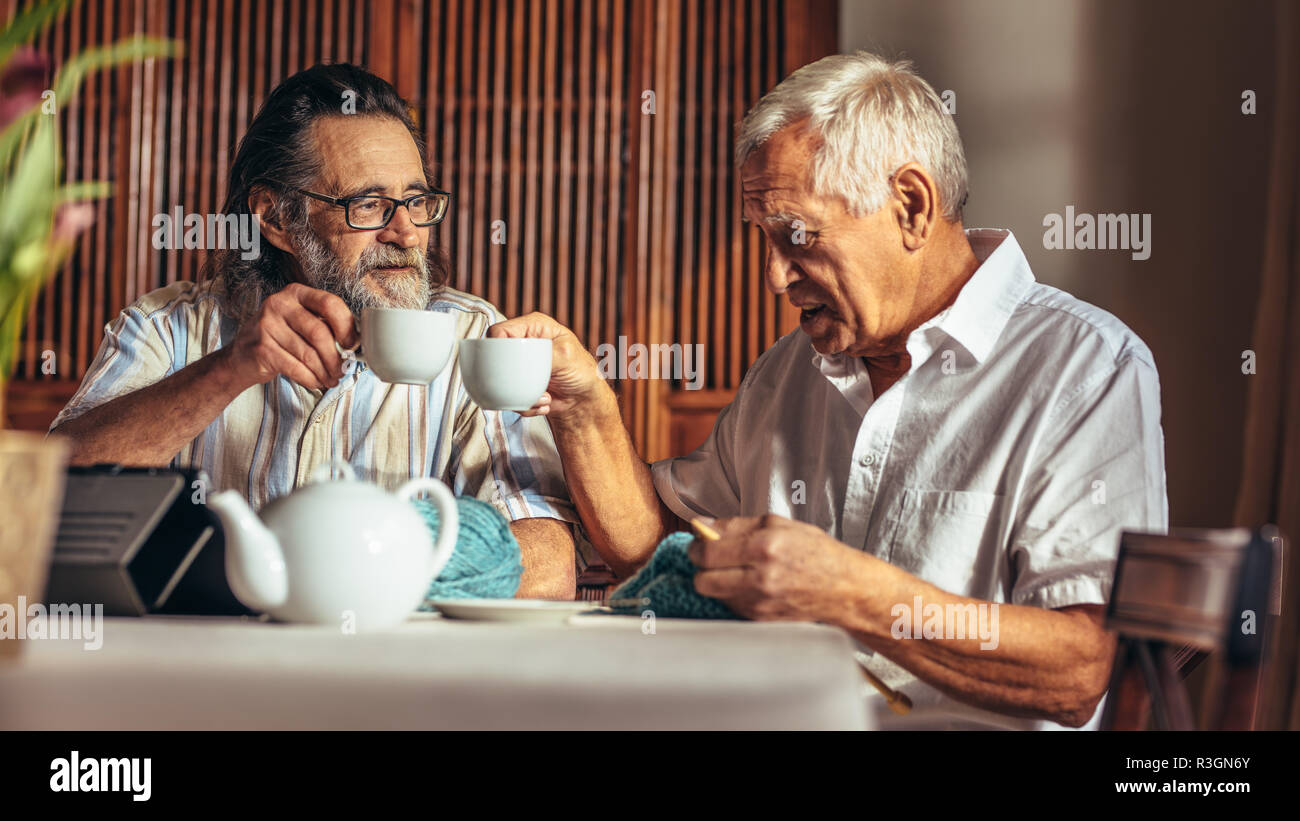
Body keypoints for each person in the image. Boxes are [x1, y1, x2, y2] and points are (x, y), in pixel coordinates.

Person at [493, 51, 1169, 728]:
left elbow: (1081, 669)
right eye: (764, 239)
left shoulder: (1087, 367)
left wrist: (847, 593)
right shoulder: (786, 372)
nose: (774, 277)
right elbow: (662, 548)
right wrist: (584, 409)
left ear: (910, 204)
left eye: (797, 237)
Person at [50, 64, 583, 599]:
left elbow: (547, 563)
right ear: (276, 217)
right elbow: (50, 495)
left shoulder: (478, 338)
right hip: (206, 667)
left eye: (417, 202)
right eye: (368, 205)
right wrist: (227, 370)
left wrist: (348, 581)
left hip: (397, 673)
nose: (406, 232)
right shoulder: (165, 330)